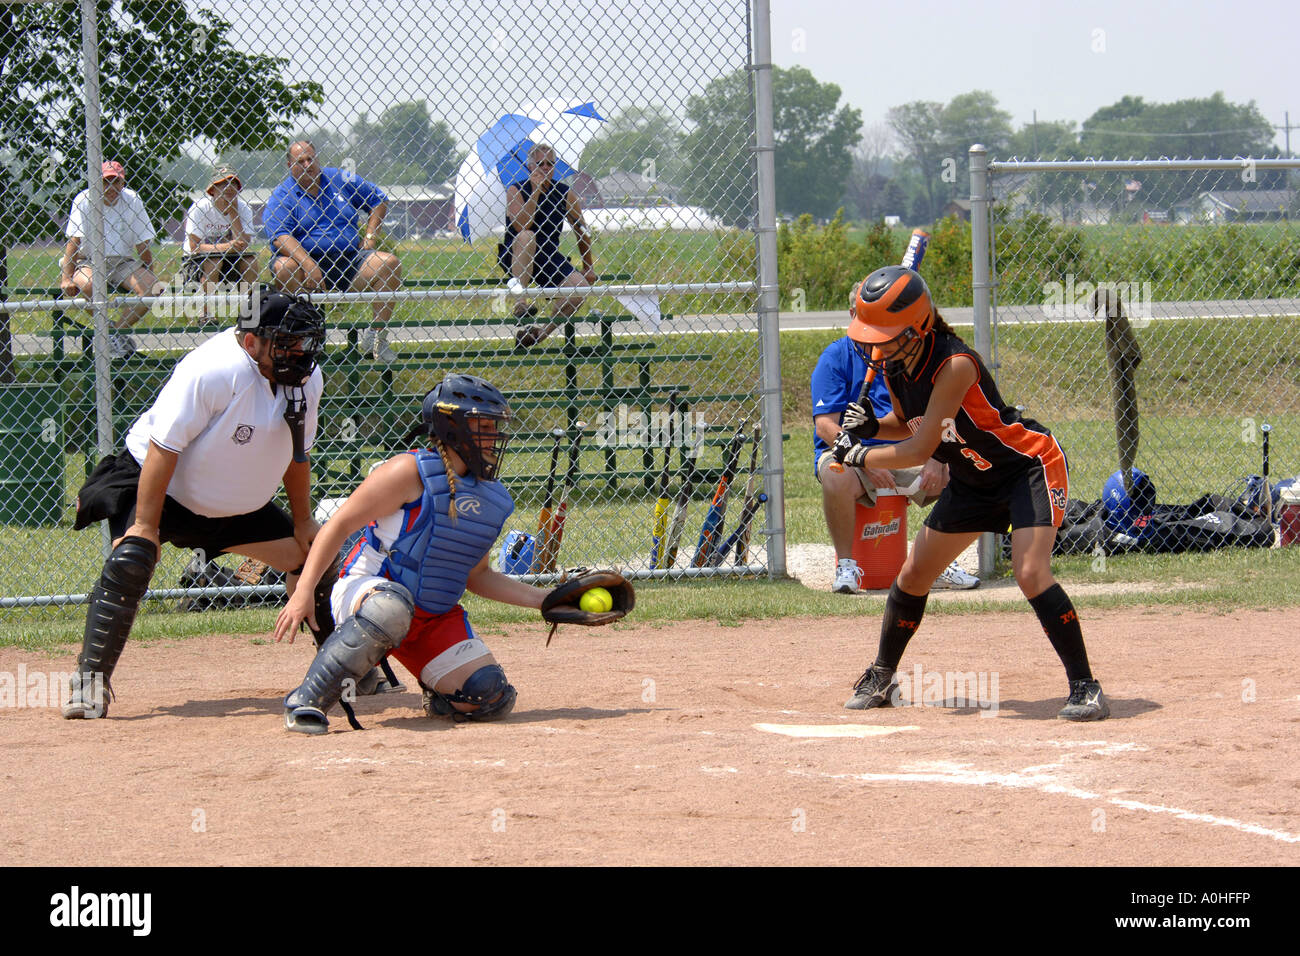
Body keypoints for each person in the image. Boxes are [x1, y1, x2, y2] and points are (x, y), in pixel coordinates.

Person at [61, 288, 393, 719]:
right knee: (131, 559)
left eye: (305, 341)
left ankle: (344, 671)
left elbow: (298, 453)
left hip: (236, 505)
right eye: (286, 343)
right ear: (251, 341)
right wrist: (145, 524)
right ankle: (89, 681)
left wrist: (303, 521)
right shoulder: (215, 369)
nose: (299, 352)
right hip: (161, 489)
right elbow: (164, 447)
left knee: (316, 556)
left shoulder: (305, 380)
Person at [833, 266, 1109, 721]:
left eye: (887, 333)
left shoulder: (955, 364)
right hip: (972, 478)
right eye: (873, 334)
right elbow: (911, 425)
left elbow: (920, 449)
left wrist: (860, 454)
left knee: (1029, 571)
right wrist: (873, 428)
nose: (876, 345)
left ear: (919, 326)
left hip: (1025, 467)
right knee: (914, 574)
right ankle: (882, 674)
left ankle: (1086, 686)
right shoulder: (896, 369)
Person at [273, 373, 550, 735]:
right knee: (391, 607)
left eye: (495, 427)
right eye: (483, 426)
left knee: (487, 696)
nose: (494, 436)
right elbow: (337, 527)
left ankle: (439, 691)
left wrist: (546, 600)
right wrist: (304, 591)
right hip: (368, 595)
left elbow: (478, 575)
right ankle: (307, 700)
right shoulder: (407, 472)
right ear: (451, 426)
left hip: (431, 616)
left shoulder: (490, 497)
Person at [811, 333, 979, 594]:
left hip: (904, 449)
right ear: (852, 315)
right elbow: (825, 427)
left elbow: (938, 413)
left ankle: (936, 563)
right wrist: (863, 459)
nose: (872, 329)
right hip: (850, 454)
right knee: (836, 475)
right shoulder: (836, 356)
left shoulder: (905, 355)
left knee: (965, 469)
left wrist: (938, 456)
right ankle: (846, 567)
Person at [263, 140, 402, 362]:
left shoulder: (339, 178)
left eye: (311, 159)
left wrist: (370, 236)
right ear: (290, 165)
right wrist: (309, 264)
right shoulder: (283, 194)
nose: (308, 165)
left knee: (389, 263)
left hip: (349, 262)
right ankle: (306, 337)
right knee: (283, 266)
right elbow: (280, 237)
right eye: (301, 161)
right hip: (305, 268)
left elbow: (378, 199)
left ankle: (376, 339)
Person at [60, 161, 162, 359]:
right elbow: (74, 240)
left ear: (123, 183)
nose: (111, 188)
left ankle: (113, 334)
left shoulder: (132, 199)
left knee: (153, 288)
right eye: (106, 182)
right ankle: (110, 333)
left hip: (123, 261)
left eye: (117, 182)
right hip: (88, 260)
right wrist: (66, 278)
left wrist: (149, 272)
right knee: (89, 285)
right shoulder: (84, 199)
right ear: (97, 183)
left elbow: (142, 242)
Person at [499, 142, 597, 349]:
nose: (545, 168)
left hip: (548, 255)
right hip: (518, 252)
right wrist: (535, 192)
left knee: (580, 287)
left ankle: (540, 333)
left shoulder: (564, 193)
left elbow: (582, 230)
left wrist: (588, 266)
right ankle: (520, 303)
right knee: (527, 236)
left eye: (550, 164)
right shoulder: (516, 190)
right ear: (530, 166)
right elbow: (522, 224)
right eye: (540, 163)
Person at [181, 165, 259, 323]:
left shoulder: (243, 208)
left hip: (231, 259)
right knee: (214, 261)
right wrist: (226, 246)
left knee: (251, 262)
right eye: (223, 184)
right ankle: (207, 314)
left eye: (233, 184)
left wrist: (233, 212)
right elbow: (195, 246)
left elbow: (243, 244)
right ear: (213, 189)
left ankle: (247, 315)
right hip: (197, 262)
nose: (229, 188)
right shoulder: (200, 208)